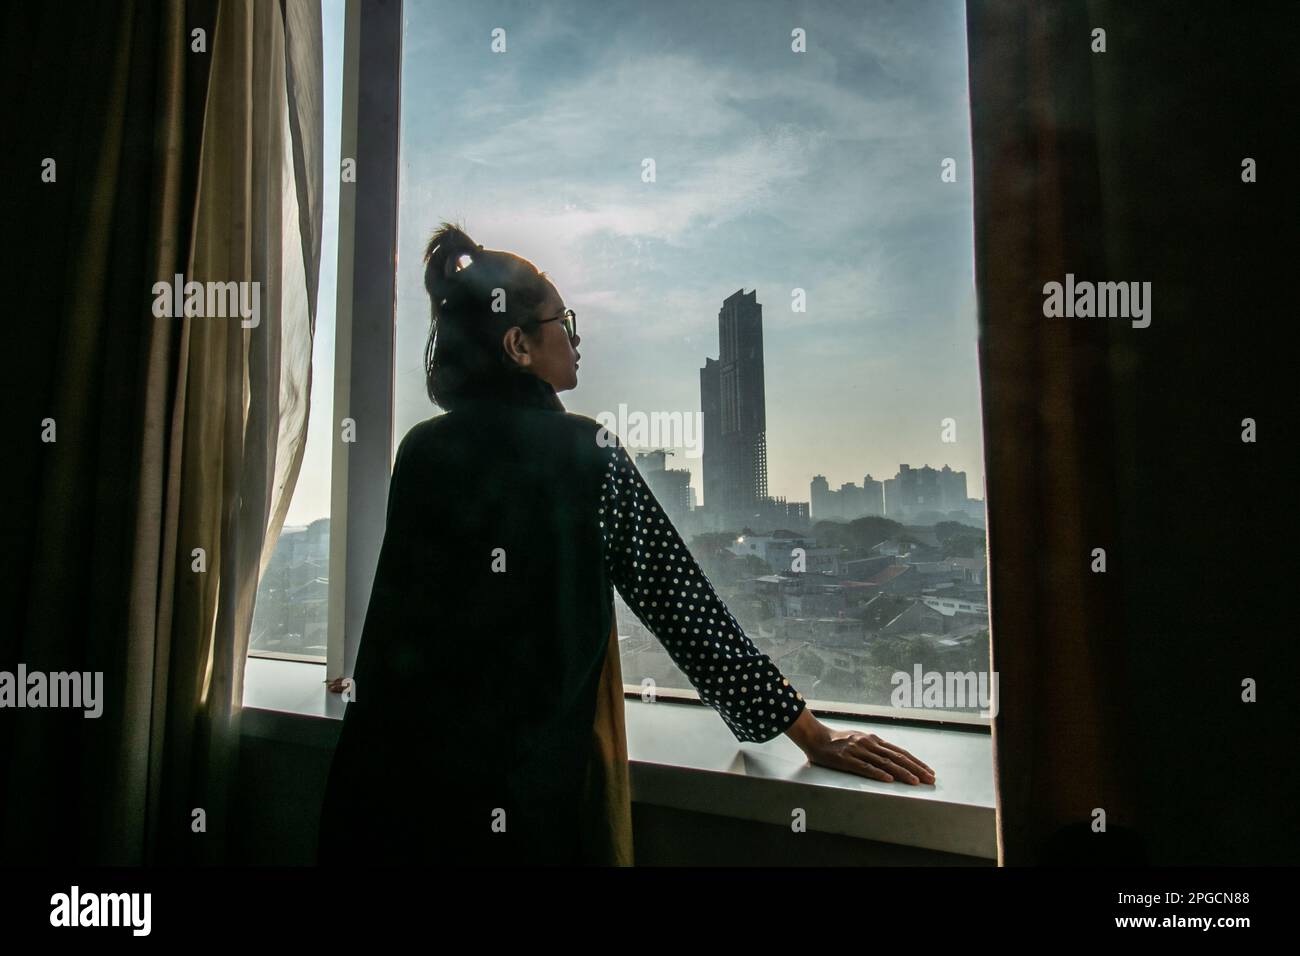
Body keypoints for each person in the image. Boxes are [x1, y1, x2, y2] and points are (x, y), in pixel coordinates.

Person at [316, 222, 935, 866]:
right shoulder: (585, 454)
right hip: (520, 800)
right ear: (518, 344)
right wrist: (812, 734)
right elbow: (685, 611)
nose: (578, 339)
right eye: (564, 321)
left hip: (394, 795)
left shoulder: (423, 451)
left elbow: (409, 613)